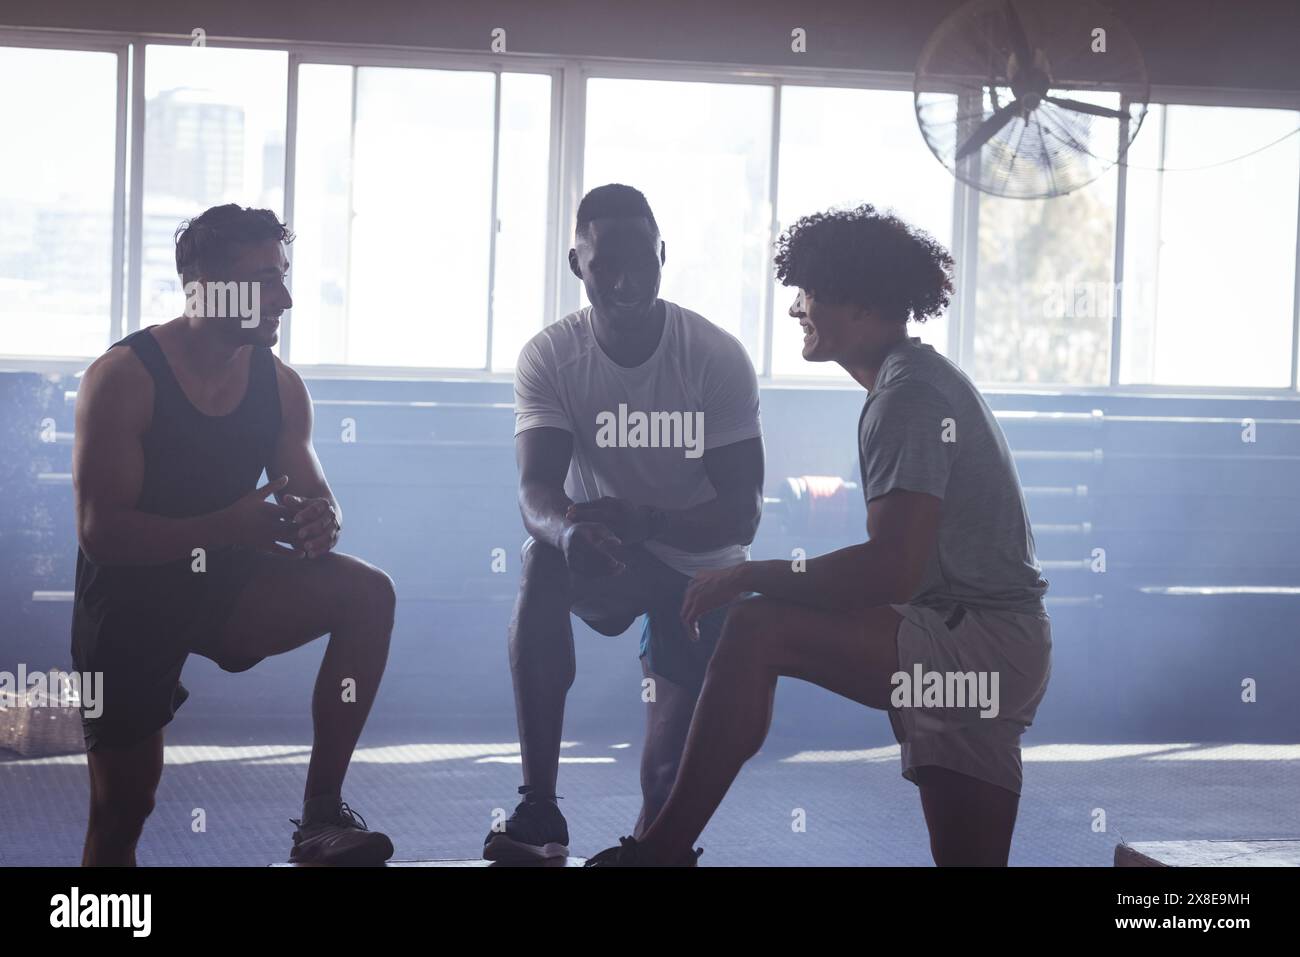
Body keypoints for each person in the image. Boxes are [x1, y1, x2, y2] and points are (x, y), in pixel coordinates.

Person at [586, 204, 1051, 867]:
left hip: (978, 646)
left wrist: (750, 573)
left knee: (755, 628)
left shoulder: (908, 397)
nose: (796, 308)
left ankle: (661, 850)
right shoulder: (907, 382)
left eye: (808, 293)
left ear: (859, 305)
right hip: (977, 640)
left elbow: (888, 570)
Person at [71, 204, 396, 866]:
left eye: (283, 275)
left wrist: (323, 518)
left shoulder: (279, 385)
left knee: (368, 593)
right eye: (264, 280)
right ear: (204, 287)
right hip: (130, 605)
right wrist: (224, 525)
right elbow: (101, 534)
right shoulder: (123, 378)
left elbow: (313, 494)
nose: (285, 297)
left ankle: (320, 815)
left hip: (225, 588)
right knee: (121, 811)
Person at [484, 184, 765, 861]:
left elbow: (743, 514)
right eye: (605, 261)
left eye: (642, 258)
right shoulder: (550, 356)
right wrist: (569, 531)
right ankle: (539, 808)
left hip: (701, 563)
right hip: (612, 555)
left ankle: (655, 847)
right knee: (540, 557)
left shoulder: (715, 356)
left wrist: (649, 520)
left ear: (664, 255)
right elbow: (535, 489)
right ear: (577, 265)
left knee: (665, 779)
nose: (625, 278)